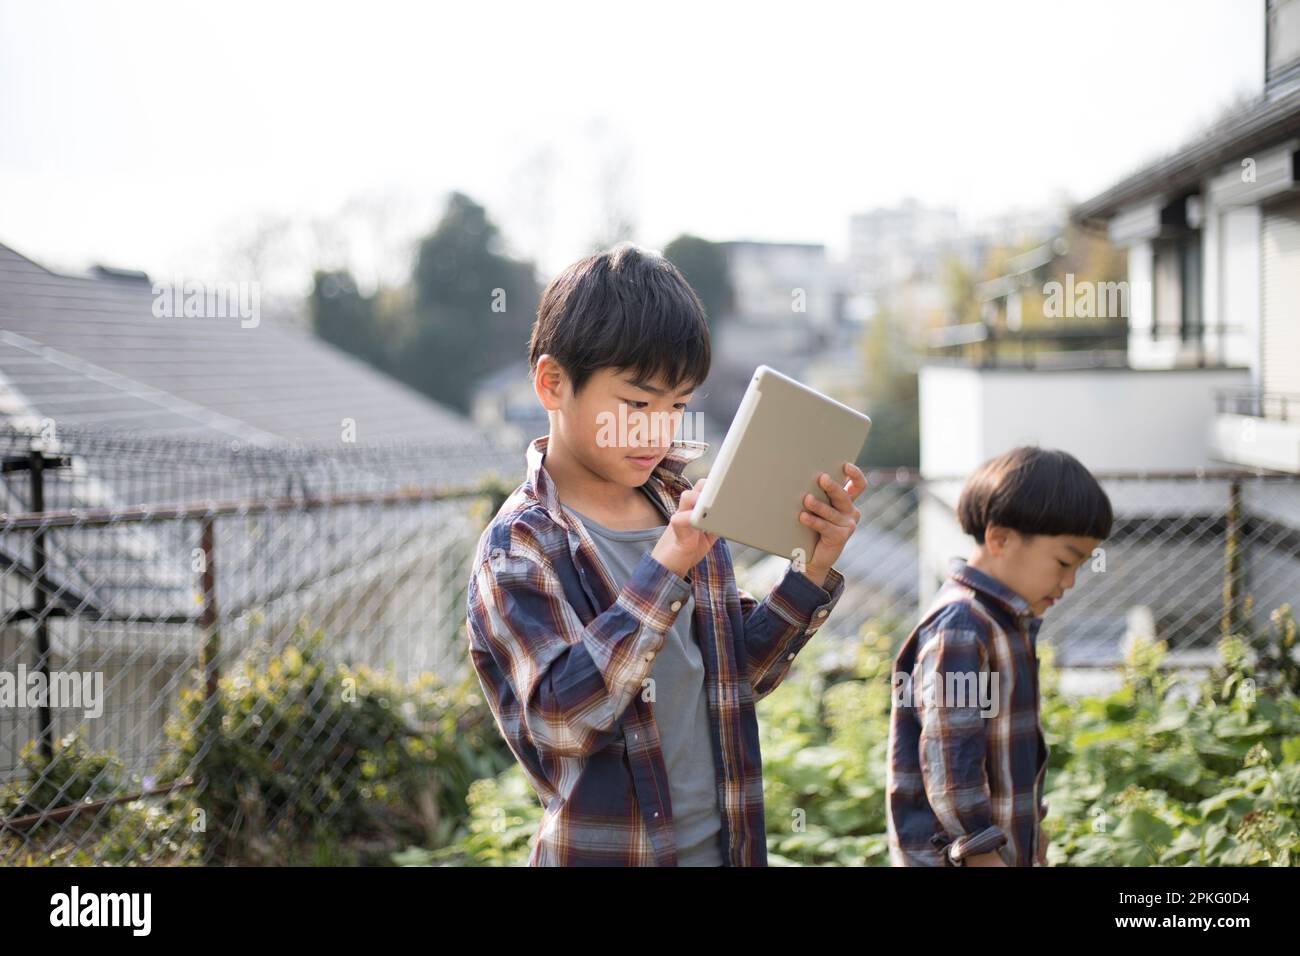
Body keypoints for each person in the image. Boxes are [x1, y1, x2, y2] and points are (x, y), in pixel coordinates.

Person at [465, 241, 866, 865]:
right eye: (637, 403)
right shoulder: (521, 546)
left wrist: (812, 566)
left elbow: (734, 676)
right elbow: (563, 721)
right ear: (552, 382)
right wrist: (666, 567)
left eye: (677, 406)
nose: (659, 430)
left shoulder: (679, 510)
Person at [886, 445, 1113, 866]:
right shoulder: (963, 626)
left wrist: (1031, 834)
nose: (1070, 581)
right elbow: (951, 758)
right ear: (1000, 538)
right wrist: (979, 851)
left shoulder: (1005, 621)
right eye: (1064, 561)